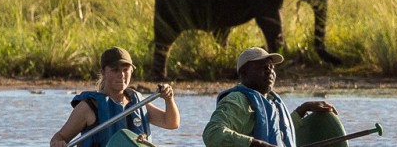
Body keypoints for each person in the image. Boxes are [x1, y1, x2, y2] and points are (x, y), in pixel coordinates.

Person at [204, 47, 336, 147]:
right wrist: (255, 144)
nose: (270, 71)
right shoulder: (236, 100)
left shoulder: (270, 101)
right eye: (262, 67)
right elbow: (212, 133)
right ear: (244, 73)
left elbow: (277, 131)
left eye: (271, 67)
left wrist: (302, 110)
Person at [51, 46, 179, 147]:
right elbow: (58, 138)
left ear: (131, 71)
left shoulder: (138, 101)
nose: (121, 75)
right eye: (115, 70)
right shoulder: (89, 107)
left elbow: (171, 123)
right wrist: (59, 144)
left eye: (125, 70)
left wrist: (169, 99)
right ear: (103, 73)